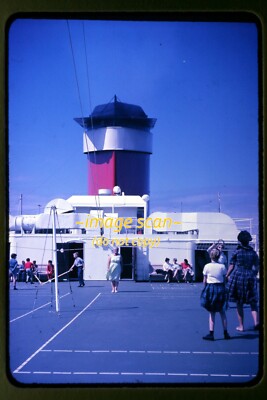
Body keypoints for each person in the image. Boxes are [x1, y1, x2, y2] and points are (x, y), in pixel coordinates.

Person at [226, 230, 259, 332]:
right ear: (249, 241)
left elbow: (232, 265)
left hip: (239, 276)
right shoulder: (253, 252)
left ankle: (241, 326)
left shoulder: (237, 251)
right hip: (250, 275)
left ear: (240, 241)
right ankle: (256, 323)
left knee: (239, 302)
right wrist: (253, 273)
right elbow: (257, 266)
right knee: (253, 301)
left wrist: (227, 275)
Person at [200, 248, 230, 341]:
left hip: (211, 288)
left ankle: (211, 333)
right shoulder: (222, 266)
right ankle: (225, 333)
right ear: (218, 256)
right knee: (222, 312)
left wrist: (204, 289)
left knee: (212, 312)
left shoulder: (207, 266)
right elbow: (225, 278)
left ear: (210, 256)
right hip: (220, 288)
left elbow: (204, 280)